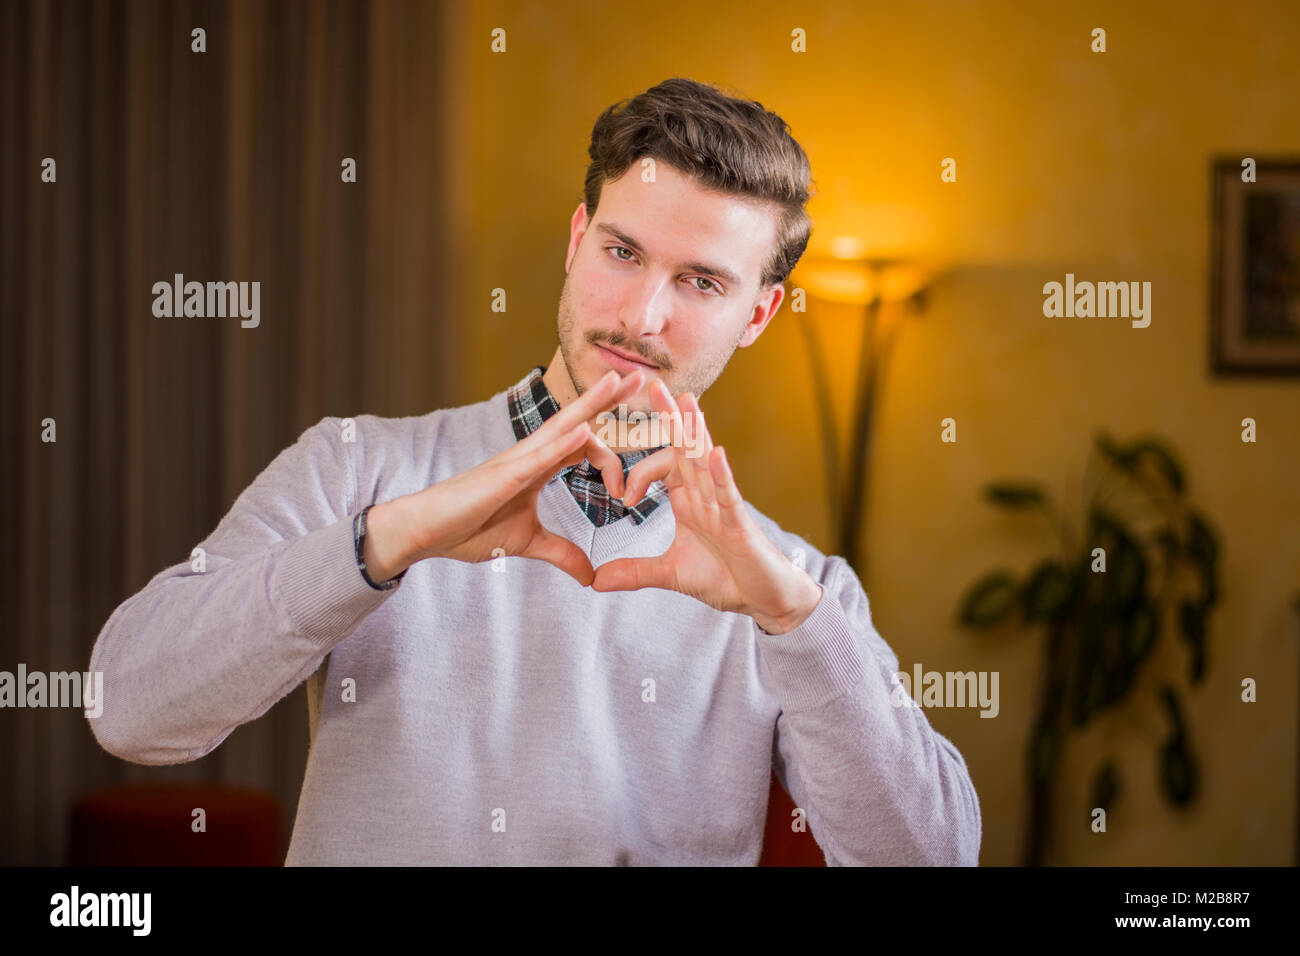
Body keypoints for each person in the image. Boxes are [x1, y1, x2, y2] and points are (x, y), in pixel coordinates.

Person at [87, 77, 981, 865]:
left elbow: (931, 859)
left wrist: (791, 621)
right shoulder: (359, 466)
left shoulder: (794, 587)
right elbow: (128, 710)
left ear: (759, 314)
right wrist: (385, 542)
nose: (640, 315)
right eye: (623, 253)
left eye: (701, 282)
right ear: (577, 239)